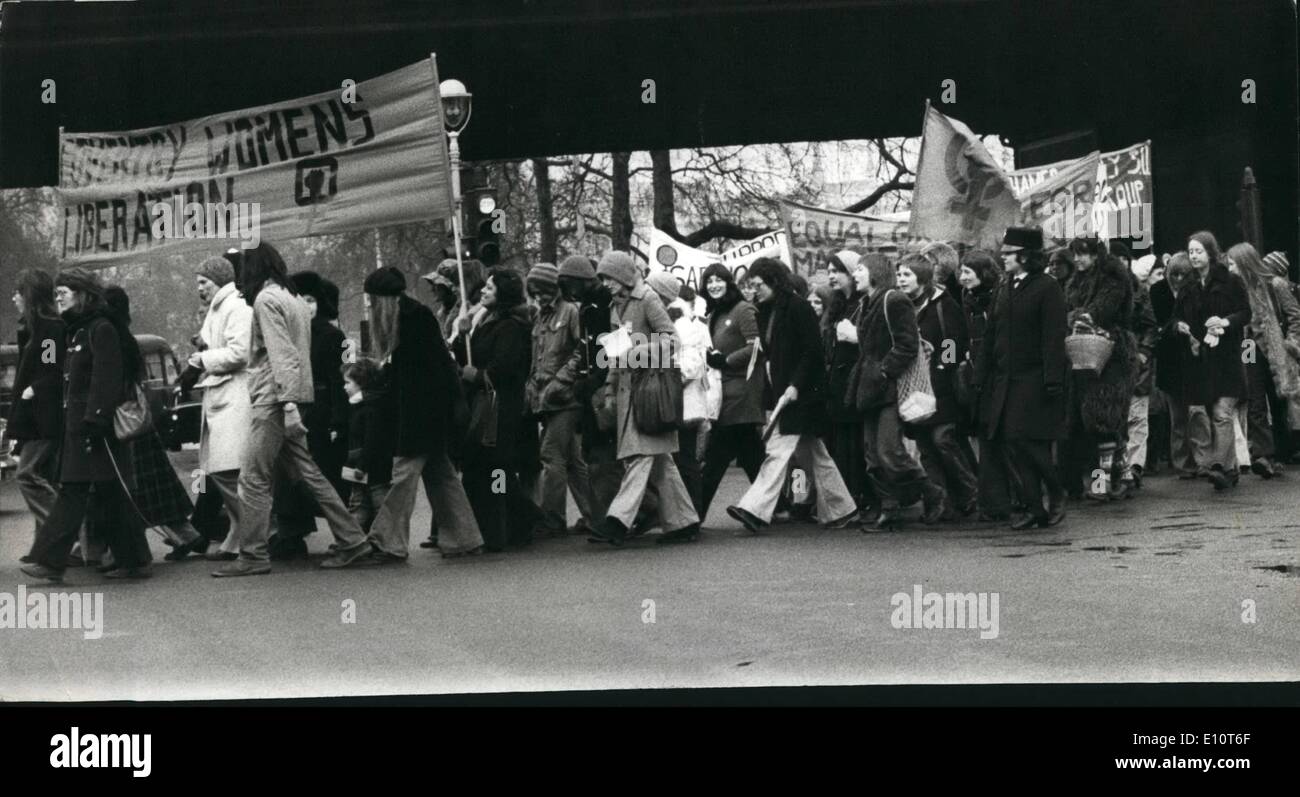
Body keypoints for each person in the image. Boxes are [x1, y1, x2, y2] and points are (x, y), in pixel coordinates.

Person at [213, 242, 374, 576]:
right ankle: (353, 540)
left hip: (273, 399)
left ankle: (253, 556)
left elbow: (281, 354)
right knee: (311, 474)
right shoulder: (294, 300)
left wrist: (285, 405)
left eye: (242, 270)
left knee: (254, 479)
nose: (240, 278)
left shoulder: (266, 300)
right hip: (294, 396)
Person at [22, 268, 154, 582]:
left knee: (74, 492)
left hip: (93, 428)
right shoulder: (77, 330)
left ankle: (50, 561)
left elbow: (105, 377)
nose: (57, 299)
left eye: (63, 293)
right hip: (80, 427)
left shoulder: (98, 329)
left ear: (82, 294)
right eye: (55, 293)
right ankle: (135, 559)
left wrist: (96, 418)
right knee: (110, 493)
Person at [725, 258, 858, 533]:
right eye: (752, 286)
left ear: (773, 281)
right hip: (786, 390)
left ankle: (754, 508)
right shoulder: (766, 310)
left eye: (759, 285)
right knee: (815, 456)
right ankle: (843, 509)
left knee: (777, 450)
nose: (755, 290)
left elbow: (812, 351)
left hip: (801, 393)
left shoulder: (798, 307)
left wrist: (795, 385)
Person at [363, 266, 485, 560]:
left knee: (403, 479)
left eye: (372, 299)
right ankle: (464, 538)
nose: (369, 305)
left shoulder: (412, 320)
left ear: (384, 299)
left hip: (420, 414)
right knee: (442, 477)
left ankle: (388, 541)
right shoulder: (416, 316)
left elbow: (429, 372)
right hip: (429, 411)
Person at [587, 251, 700, 545]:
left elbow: (672, 340)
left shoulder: (648, 299)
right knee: (660, 462)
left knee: (640, 455)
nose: (606, 284)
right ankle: (684, 523)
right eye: (603, 278)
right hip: (632, 394)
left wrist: (638, 352)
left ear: (623, 275)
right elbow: (615, 353)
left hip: (649, 393)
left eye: (609, 277)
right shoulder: (616, 306)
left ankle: (617, 520)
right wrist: (610, 387)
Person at [842, 254, 947, 529]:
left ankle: (932, 492)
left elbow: (907, 344)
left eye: (860, 269)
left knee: (890, 452)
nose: (855, 274)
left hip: (889, 389)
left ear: (875, 272)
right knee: (872, 456)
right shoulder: (866, 302)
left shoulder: (893, 300)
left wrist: (885, 371)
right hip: (869, 388)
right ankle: (889, 508)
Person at [104, 285, 208, 561]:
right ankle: (189, 536)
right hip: (138, 422)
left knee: (137, 491)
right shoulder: (126, 338)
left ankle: (115, 552)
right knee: (156, 491)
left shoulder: (110, 339)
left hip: (124, 424)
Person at [979, 227, 1069, 530]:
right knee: (1012, 442)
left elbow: (1053, 337)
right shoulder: (1004, 287)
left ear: (1026, 256)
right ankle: (1034, 507)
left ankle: (1056, 490)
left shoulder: (1047, 287)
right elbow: (991, 334)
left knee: (1026, 439)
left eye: (1009, 253)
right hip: (1005, 379)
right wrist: (981, 374)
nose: (1002, 257)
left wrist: (1053, 379)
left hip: (1035, 378)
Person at [452, 267, 538, 551]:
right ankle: (511, 522)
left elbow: (504, 368)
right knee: (489, 466)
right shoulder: (486, 320)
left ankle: (508, 524)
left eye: (490, 288)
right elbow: (469, 357)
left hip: (501, 405)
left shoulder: (511, 326)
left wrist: (475, 375)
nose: (483, 291)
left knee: (496, 467)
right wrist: (461, 335)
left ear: (503, 293)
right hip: (485, 403)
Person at [181, 256, 252, 562]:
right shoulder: (220, 308)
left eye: (203, 282)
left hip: (234, 396)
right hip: (222, 396)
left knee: (226, 471)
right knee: (221, 471)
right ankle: (238, 536)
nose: (199, 288)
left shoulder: (236, 307)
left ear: (219, 280)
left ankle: (251, 531)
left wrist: (200, 360)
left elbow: (239, 353)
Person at [896, 253, 978, 518]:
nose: (901, 279)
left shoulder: (943, 304)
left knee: (943, 439)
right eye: (899, 274)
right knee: (926, 446)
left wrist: (944, 366)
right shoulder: (902, 306)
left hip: (941, 387)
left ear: (921, 277)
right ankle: (940, 502)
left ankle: (971, 491)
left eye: (906, 274)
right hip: (914, 387)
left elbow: (953, 340)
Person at [1172, 231, 1252, 490]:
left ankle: (1217, 465)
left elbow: (1245, 313)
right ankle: (1230, 469)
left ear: (1210, 252)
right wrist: (1179, 326)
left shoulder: (1231, 281)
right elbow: (1174, 317)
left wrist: (1225, 322)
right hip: (1200, 358)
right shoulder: (1188, 287)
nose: (1194, 256)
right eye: (1191, 252)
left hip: (1227, 357)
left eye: (1199, 251)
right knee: (1207, 411)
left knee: (1221, 412)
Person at [1061, 237, 1138, 500]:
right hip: (1086, 352)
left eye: (1083, 254)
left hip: (1112, 353)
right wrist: (1076, 317)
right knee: (1098, 420)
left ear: (1096, 255)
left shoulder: (1113, 277)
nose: (1078, 259)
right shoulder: (1077, 280)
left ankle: (1101, 484)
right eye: (1075, 254)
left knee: (1102, 418)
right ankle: (1125, 474)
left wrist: (1078, 316)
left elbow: (1100, 310)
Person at [525, 262, 599, 537]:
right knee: (573, 461)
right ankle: (595, 514)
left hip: (565, 398)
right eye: (534, 292)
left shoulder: (571, 312)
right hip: (547, 397)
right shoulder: (540, 316)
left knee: (551, 455)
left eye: (543, 291)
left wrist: (561, 380)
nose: (539, 297)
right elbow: (537, 356)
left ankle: (553, 519)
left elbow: (582, 351)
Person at [697, 262, 765, 524]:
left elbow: (756, 347)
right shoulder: (714, 313)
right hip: (723, 392)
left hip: (741, 393)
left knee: (716, 458)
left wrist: (725, 360)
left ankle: (693, 515)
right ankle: (780, 506)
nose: (714, 285)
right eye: (709, 281)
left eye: (719, 280)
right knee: (752, 458)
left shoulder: (743, 309)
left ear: (728, 282)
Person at [1225, 242, 1300, 478]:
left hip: (1276, 347)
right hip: (1249, 345)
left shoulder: (1275, 284)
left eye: (1232, 264)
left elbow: (1295, 316)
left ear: (1244, 263)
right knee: (1255, 398)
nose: (1229, 268)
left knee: (1278, 400)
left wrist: (1291, 343)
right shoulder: (1236, 288)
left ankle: (1281, 452)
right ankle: (1263, 455)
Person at [558, 254, 619, 524]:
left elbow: (612, 347)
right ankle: (600, 514)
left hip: (601, 386)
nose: (569, 290)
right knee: (594, 454)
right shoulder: (587, 306)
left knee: (602, 456)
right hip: (591, 384)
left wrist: (595, 378)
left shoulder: (603, 304)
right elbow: (586, 347)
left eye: (570, 283)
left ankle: (605, 516)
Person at [9, 269, 65, 564]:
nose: (14, 297)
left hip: (43, 417)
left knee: (27, 474)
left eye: (19, 292)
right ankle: (43, 547)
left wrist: (34, 390)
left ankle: (61, 531)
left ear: (30, 296)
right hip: (36, 416)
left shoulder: (49, 330)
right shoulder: (34, 329)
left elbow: (50, 370)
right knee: (43, 476)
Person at [959, 249, 1018, 519]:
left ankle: (1015, 496)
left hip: (999, 373)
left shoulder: (1001, 297)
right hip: (978, 374)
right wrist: (950, 362)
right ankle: (993, 502)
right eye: (961, 272)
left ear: (982, 273)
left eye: (967, 272)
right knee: (986, 438)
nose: (963, 278)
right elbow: (953, 336)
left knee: (1002, 438)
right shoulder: (966, 299)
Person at [648, 270, 710, 521]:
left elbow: (693, 362)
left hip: (682, 402)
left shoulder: (683, 324)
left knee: (684, 460)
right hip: (670, 400)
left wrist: (668, 379)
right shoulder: (660, 319)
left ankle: (692, 514)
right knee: (675, 460)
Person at [821, 251, 872, 520]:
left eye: (836, 271)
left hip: (858, 381)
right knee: (840, 445)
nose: (831, 276)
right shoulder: (837, 304)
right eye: (829, 271)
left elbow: (950, 342)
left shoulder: (867, 302)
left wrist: (947, 362)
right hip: (837, 384)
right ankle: (841, 500)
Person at [1152, 253, 1202, 478]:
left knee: (1197, 413)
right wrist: (1173, 327)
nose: (1179, 279)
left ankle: (1202, 460)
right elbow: (1157, 321)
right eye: (1175, 274)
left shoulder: (1196, 291)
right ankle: (1183, 463)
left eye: (1184, 274)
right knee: (1178, 416)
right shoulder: (1158, 291)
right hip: (1170, 359)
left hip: (1193, 357)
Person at [340, 357, 395, 533]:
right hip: (369, 466)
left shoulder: (368, 409)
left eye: (348, 382)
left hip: (368, 467)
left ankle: (356, 538)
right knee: (369, 505)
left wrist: (362, 465)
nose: (344, 387)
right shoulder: (366, 406)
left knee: (366, 504)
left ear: (361, 383)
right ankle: (366, 537)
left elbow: (372, 440)